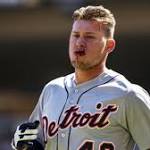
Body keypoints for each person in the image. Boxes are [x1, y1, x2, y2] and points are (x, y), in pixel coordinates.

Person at [11, 5, 150, 150]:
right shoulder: (52, 90)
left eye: (89, 37)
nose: (79, 42)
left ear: (109, 46)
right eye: (76, 35)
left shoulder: (128, 95)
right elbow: (33, 141)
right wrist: (21, 144)